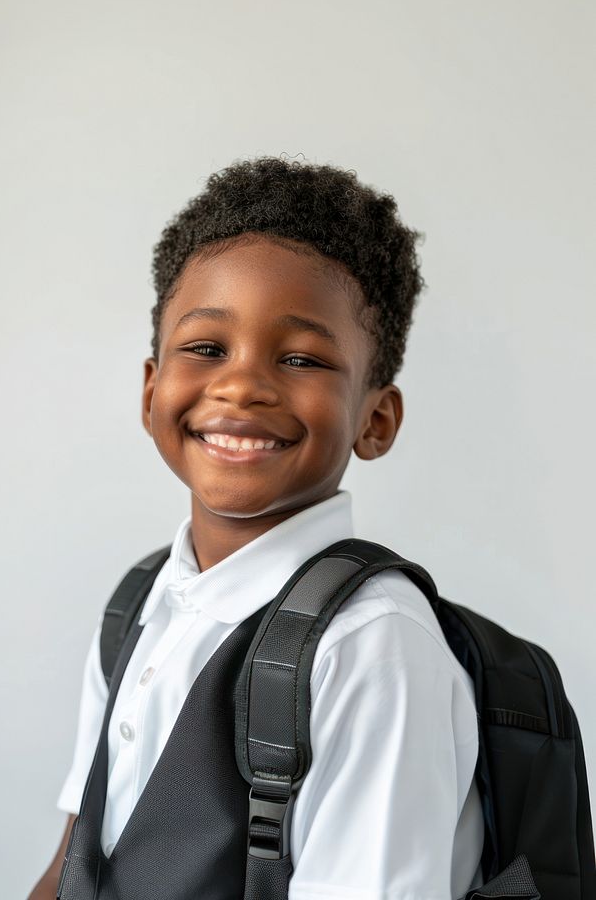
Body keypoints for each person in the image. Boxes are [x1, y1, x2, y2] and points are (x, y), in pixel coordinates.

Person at [28, 157, 484, 899]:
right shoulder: (142, 603)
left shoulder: (371, 644)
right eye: (206, 349)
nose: (241, 384)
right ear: (151, 392)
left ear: (375, 419)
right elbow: (73, 866)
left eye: (300, 358)